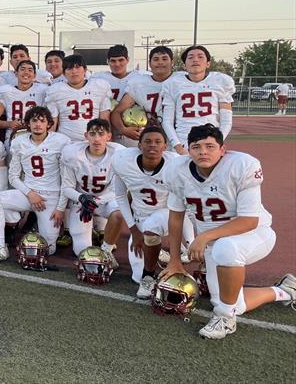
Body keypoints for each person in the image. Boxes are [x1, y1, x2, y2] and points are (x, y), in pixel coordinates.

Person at [162, 124, 295, 339]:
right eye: (196, 147)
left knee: (227, 251)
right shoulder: (177, 171)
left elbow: (249, 220)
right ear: (188, 150)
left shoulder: (241, 165)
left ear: (223, 149)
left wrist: (204, 237)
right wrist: (175, 259)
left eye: (210, 146)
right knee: (232, 302)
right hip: (216, 243)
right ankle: (285, 290)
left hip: (254, 234)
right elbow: (176, 217)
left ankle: (226, 319)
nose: (203, 151)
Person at [112, 126, 193, 297]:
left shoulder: (176, 163)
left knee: (152, 227)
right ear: (139, 145)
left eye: (158, 142)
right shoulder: (122, 160)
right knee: (135, 276)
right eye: (147, 141)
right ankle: (156, 259)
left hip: (168, 214)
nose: (152, 146)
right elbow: (120, 196)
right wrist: (134, 230)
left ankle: (149, 275)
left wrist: (190, 240)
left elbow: (185, 202)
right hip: (140, 217)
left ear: (165, 147)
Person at [0, 107, 70, 264]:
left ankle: (37, 227)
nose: (38, 124)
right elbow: (13, 177)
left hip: (50, 197)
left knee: (48, 249)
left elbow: (67, 179)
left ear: (49, 124)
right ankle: (1, 247)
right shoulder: (19, 142)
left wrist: (61, 208)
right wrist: (30, 193)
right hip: (28, 194)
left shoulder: (61, 141)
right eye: (34, 120)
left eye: (42, 120)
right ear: (28, 124)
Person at [58, 119, 125, 261]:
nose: (96, 139)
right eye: (93, 134)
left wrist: (93, 201)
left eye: (101, 134)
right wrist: (82, 198)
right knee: (82, 253)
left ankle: (106, 251)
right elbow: (67, 188)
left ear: (109, 136)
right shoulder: (73, 153)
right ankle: (94, 233)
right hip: (81, 203)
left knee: (119, 212)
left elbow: (117, 192)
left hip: (105, 200)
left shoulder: (119, 154)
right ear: (86, 135)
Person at [162, 45, 234, 155]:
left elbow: (226, 121)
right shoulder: (172, 84)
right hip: (183, 140)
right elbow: (167, 121)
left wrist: (217, 142)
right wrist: (178, 146)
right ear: (184, 65)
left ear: (208, 63)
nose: (195, 60)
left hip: (211, 139)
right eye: (190, 57)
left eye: (200, 57)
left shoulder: (221, 82)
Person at [112, 46, 173, 142]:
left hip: (178, 136)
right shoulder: (139, 83)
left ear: (172, 62)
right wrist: (123, 129)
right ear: (149, 63)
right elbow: (116, 112)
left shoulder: (181, 81)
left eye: (164, 59)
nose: (160, 62)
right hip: (151, 138)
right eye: (156, 59)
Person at [46, 55, 112, 141]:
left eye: (77, 67)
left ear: (85, 70)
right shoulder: (55, 90)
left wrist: (107, 142)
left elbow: (105, 120)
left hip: (93, 140)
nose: (74, 71)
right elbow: (53, 123)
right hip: (66, 141)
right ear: (64, 73)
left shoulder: (99, 86)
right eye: (69, 68)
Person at [0, 60, 49, 143]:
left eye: (30, 70)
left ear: (34, 75)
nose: (26, 72)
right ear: (16, 73)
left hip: (37, 137)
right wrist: (9, 124)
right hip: (13, 137)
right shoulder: (6, 91)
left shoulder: (43, 90)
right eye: (22, 69)